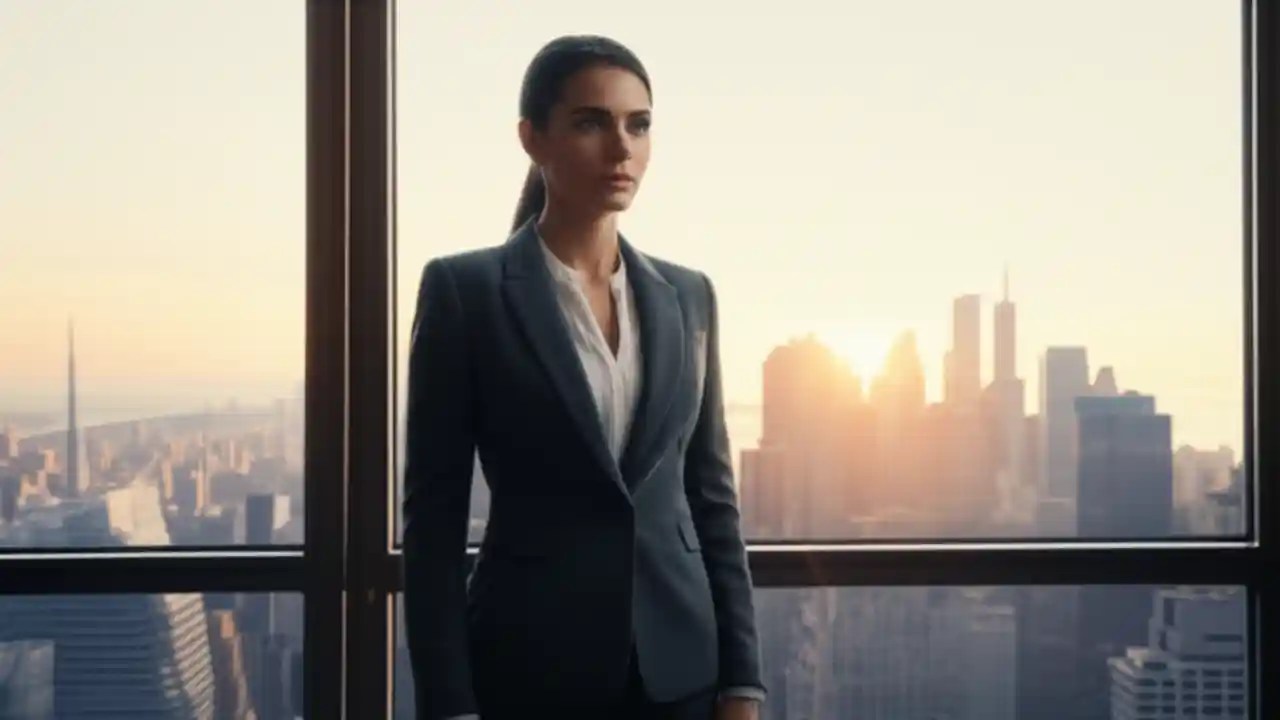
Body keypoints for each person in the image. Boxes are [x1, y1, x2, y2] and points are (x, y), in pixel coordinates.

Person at [402, 34, 766, 720]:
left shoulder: (689, 296)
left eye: (639, 124)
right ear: (532, 138)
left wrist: (743, 682)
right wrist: (448, 704)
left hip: (682, 671)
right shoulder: (465, 291)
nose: (621, 147)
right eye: (591, 122)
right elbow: (433, 526)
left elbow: (712, 501)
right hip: (528, 671)